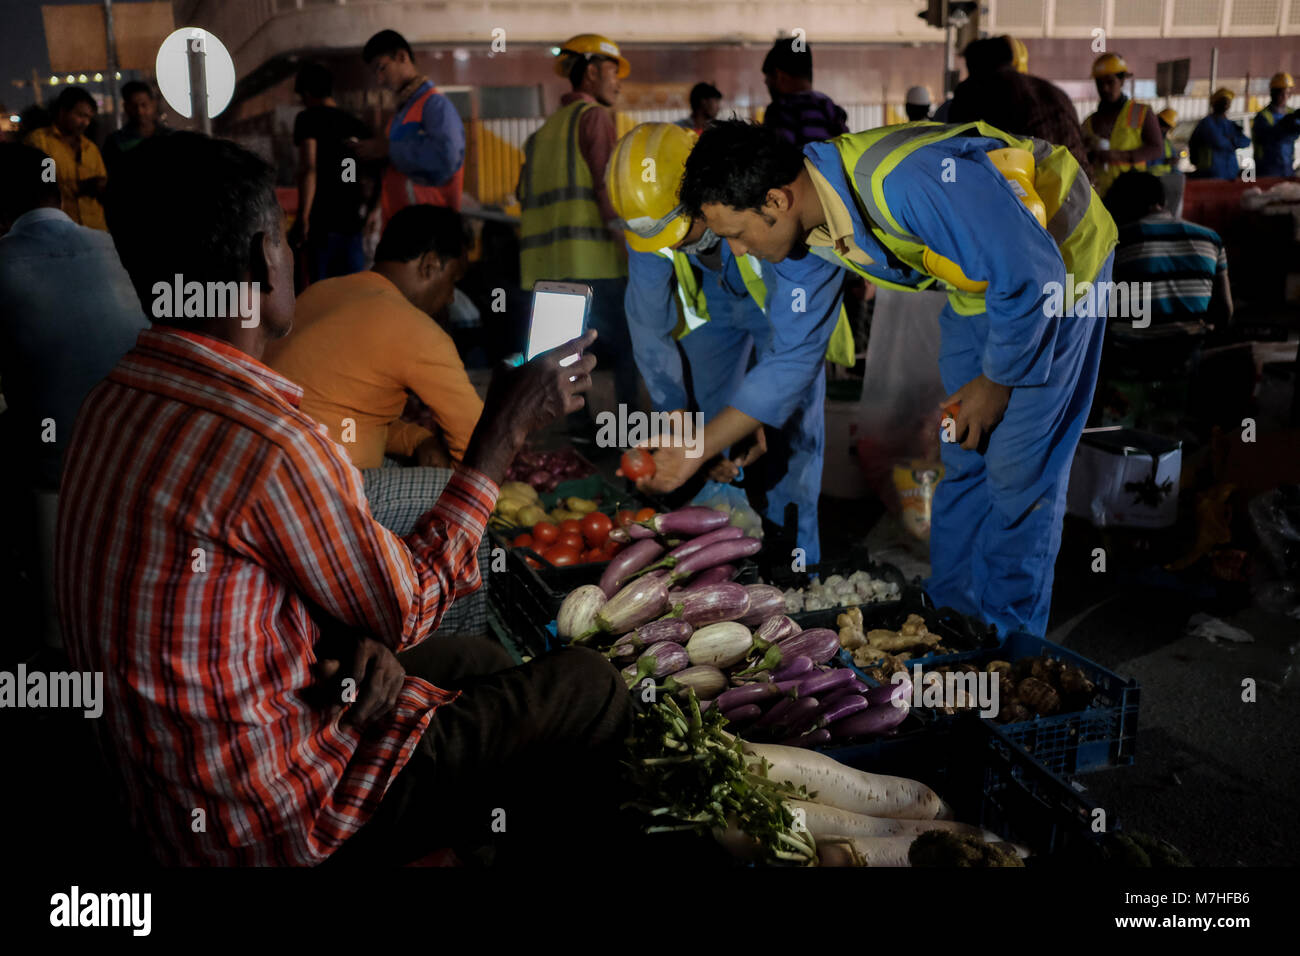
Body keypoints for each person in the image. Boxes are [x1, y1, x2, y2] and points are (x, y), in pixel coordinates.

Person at [57, 131, 627, 867]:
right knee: (591, 685)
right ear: (267, 259)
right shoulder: (266, 440)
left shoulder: (113, 399)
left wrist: (350, 643)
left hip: (170, 798)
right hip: (279, 822)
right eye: (287, 243)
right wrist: (504, 431)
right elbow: (409, 601)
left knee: (474, 659)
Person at [679, 119, 1117, 638]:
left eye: (734, 235)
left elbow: (1032, 273)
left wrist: (998, 381)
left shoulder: (906, 180)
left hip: (1059, 272)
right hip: (981, 290)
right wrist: (699, 446)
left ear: (775, 201)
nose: (737, 252)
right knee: (965, 460)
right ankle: (952, 625)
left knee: (1019, 478)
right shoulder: (804, 235)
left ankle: (1009, 655)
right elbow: (793, 355)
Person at [610, 123, 856, 564]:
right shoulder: (648, 218)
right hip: (714, 310)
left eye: (679, 235)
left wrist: (758, 409)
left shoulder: (758, 205)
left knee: (794, 430)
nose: (669, 249)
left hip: (781, 300)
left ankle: (796, 561)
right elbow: (647, 323)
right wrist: (678, 421)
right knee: (711, 431)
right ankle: (725, 560)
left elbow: (792, 356)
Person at [0, 143, 148, 650]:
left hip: (58, 473)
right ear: (58, 191)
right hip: (151, 451)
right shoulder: (120, 246)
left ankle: (53, 648)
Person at [518, 34, 639, 429]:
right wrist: (631, 253)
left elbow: (523, 194)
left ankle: (582, 436)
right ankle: (629, 435)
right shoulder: (594, 119)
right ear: (590, 72)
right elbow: (609, 194)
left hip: (546, 272)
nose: (617, 82)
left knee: (567, 358)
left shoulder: (541, 135)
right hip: (595, 266)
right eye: (611, 71)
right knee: (627, 351)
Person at [357, 29, 465, 225]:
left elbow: (446, 158)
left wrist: (388, 149)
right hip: (404, 227)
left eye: (381, 68)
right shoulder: (402, 112)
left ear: (402, 57)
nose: (379, 80)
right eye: (375, 73)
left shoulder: (434, 105)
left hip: (431, 230)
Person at [950, 36, 1091, 180]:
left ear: (975, 66)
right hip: (1082, 186)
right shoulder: (1053, 92)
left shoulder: (976, 89)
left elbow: (957, 143)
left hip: (1032, 188)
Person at [1105, 170, 1231, 326]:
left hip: (1130, 344)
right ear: (1162, 201)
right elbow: (1225, 311)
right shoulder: (1210, 238)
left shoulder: (1118, 242)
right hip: (1193, 343)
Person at [290, 62, 373, 281]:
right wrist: (373, 210)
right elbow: (367, 174)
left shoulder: (307, 118)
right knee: (353, 292)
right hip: (353, 222)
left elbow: (309, 168)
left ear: (307, 93)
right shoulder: (355, 124)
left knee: (322, 293)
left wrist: (303, 217)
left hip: (322, 222)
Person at [24, 86, 108, 230]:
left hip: (94, 230)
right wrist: (76, 187)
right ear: (62, 111)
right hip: (57, 230)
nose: (85, 123)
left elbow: (103, 183)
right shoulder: (39, 142)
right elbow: (38, 187)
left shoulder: (90, 148)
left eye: (88, 117)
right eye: (80, 115)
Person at [1082, 53, 1163, 197]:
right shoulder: (1089, 122)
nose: (1104, 88)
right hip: (1100, 194)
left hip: (1132, 192)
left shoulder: (1140, 112)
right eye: (1100, 84)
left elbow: (1156, 149)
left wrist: (1120, 156)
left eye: (1110, 82)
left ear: (1122, 80)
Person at [760, 37, 849, 149]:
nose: (766, 82)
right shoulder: (829, 107)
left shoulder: (780, 110)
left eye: (767, 77)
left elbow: (776, 156)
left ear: (779, 76)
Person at [101, 81, 172, 175]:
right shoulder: (116, 141)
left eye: (144, 105)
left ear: (153, 104)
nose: (140, 111)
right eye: (134, 106)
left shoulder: (169, 136)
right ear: (126, 108)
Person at [1189, 88, 1250, 180]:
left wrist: (1232, 140)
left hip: (1230, 172)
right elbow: (1218, 142)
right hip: (1211, 173)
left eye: (1228, 101)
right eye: (1222, 100)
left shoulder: (1230, 124)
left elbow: (1246, 141)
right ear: (1214, 103)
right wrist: (1233, 141)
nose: (1226, 104)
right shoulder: (1207, 123)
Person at [1252, 72, 1299, 179]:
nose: (1285, 97)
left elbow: (1294, 134)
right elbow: (1269, 137)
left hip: (1287, 167)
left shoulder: (1291, 113)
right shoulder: (1263, 116)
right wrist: (1284, 125)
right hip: (1268, 169)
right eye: (1281, 93)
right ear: (1273, 94)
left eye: (1287, 93)